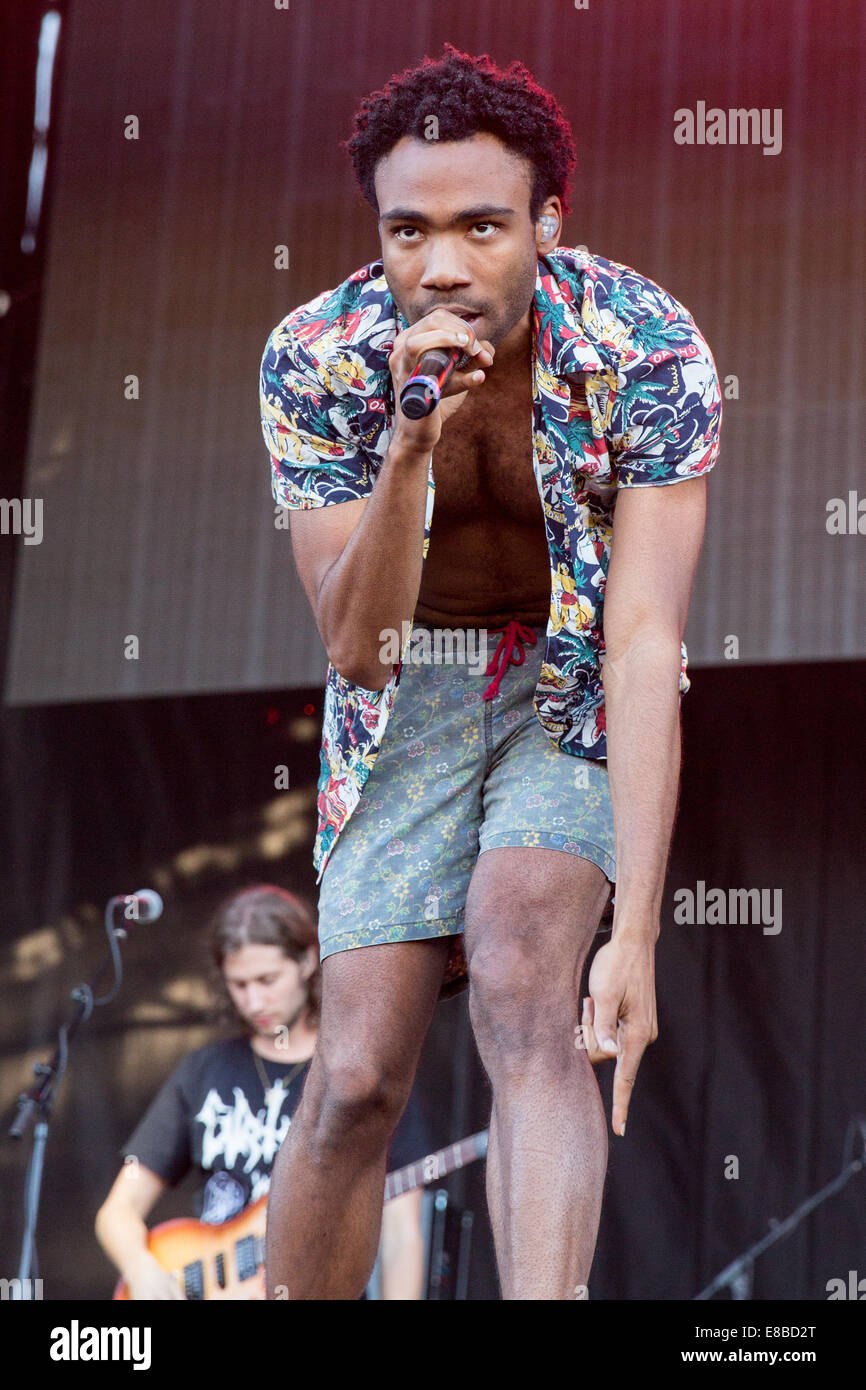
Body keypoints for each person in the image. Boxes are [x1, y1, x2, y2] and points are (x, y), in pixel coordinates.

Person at [258, 44, 723, 1300]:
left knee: (526, 979)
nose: (443, 266)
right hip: (403, 686)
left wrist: (632, 933)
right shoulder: (320, 359)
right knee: (355, 1075)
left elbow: (639, 640)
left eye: (481, 226)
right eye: (408, 231)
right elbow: (354, 648)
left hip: (566, 674)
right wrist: (412, 443)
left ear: (546, 223)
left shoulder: (643, 342)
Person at [94, 885, 428, 1299]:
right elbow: (117, 1211)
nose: (254, 1001)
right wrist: (142, 1270)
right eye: (240, 984)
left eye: (267, 980)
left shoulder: (359, 1074)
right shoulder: (203, 1071)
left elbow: (401, 1235)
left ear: (307, 960)